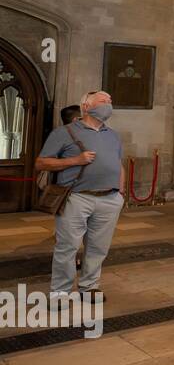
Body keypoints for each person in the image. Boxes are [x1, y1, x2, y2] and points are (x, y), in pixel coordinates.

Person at [35, 91, 125, 301]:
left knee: (98, 247)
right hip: (76, 197)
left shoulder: (112, 135)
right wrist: (75, 160)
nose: (109, 104)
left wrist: (121, 191)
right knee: (67, 247)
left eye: (110, 101)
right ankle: (60, 291)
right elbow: (41, 163)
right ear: (86, 106)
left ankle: (89, 286)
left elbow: (119, 164)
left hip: (109, 199)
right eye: (104, 101)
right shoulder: (63, 132)